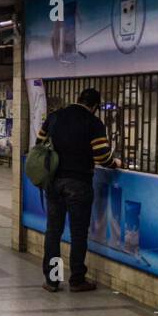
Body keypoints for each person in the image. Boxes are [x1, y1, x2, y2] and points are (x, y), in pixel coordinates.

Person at [37, 87, 119, 293]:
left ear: (78, 99)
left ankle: (53, 280)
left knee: (53, 231)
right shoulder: (92, 122)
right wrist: (114, 162)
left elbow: (39, 143)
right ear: (94, 106)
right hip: (79, 183)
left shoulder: (55, 117)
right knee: (78, 233)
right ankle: (76, 280)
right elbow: (102, 155)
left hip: (54, 182)